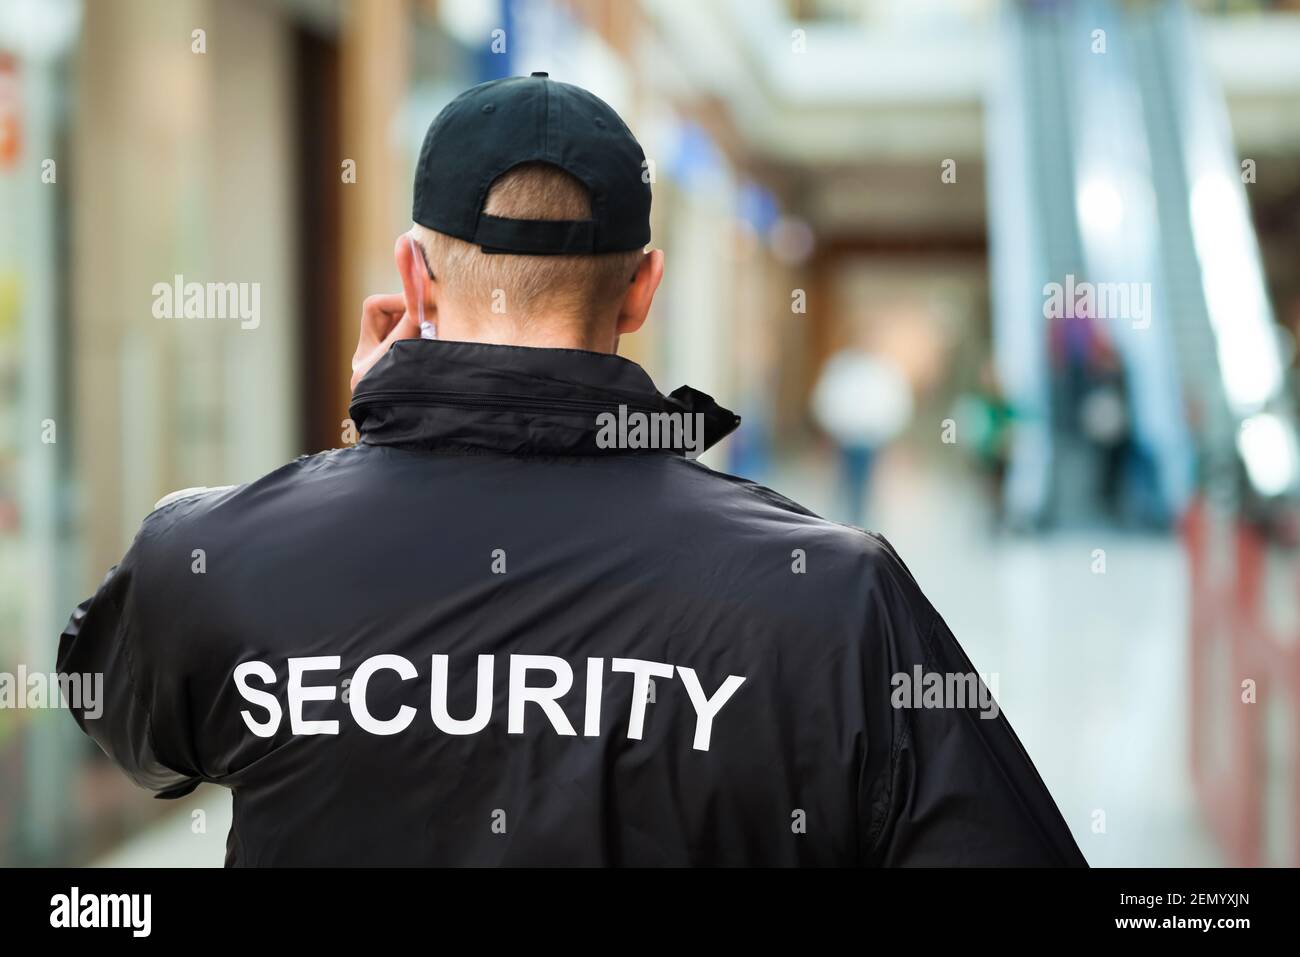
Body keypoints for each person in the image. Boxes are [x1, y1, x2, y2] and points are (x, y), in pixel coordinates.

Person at [57, 73, 1086, 866]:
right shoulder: (838, 597)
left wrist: (369, 449)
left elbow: (124, 725)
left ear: (414, 273)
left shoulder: (215, 557)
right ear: (641, 289)